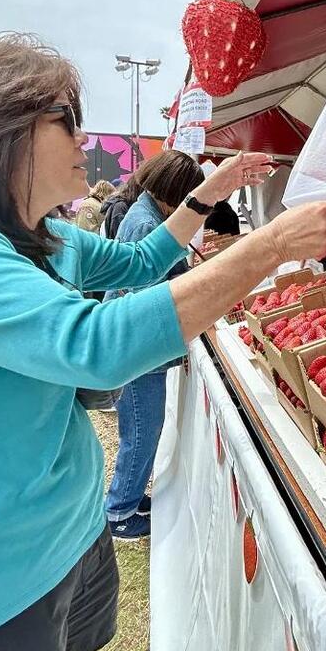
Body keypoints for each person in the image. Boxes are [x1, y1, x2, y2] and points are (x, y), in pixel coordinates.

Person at [0, 32, 326, 651]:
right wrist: (269, 247)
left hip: (54, 537)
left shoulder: (39, 236)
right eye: (66, 120)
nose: (84, 140)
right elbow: (94, 345)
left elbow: (140, 263)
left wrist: (207, 193)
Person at [101, 150, 203, 540]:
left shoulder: (147, 214)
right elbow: (153, 297)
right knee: (142, 430)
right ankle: (121, 513)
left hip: (134, 346)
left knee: (142, 427)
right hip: (137, 350)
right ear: (176, 192)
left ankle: (128, 496)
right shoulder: (146, 224)